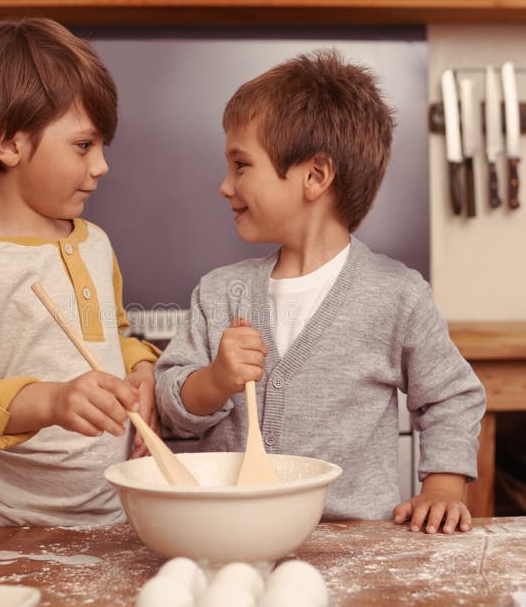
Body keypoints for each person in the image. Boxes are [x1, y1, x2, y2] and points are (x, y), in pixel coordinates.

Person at [155, 49, 485, 534]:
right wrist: (215, 380)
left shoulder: (398, 296)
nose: (225, 185)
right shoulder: (219, 293)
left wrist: (442, 487)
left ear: (315, 176)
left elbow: (450, 398)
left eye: (241, 164)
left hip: (353, 545)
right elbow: (169, 402)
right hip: (226, 535)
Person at [0, 18, 160, 526]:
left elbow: (114, 338)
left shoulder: (94, 243)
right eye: (83, 145)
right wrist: (53, 401)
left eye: (102, 147)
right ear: (8, 144)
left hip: (114, 515)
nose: (102, 166)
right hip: (9, 523)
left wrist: (142, 373)